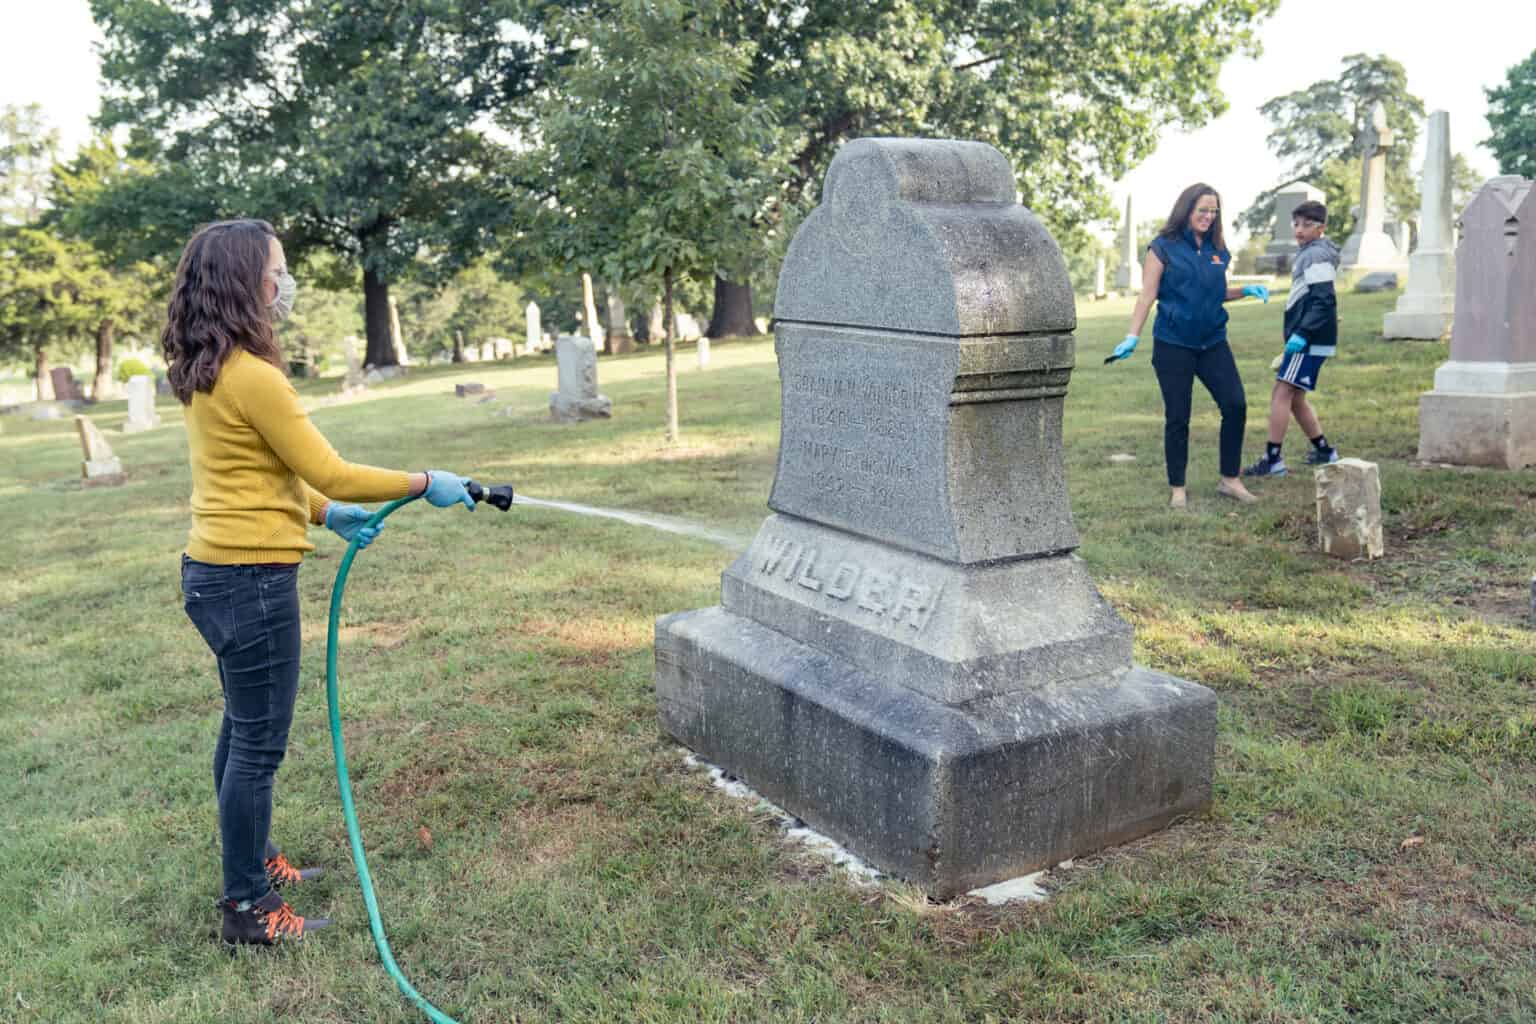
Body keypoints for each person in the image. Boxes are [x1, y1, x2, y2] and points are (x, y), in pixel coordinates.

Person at [165, 219, 477, 947]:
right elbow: (326, 466)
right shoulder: (254, 375)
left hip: (213, 573)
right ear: (249, 283)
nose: (285, 284)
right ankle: (246, 907)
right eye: (278, 270)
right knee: (257, 746)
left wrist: (328, 515)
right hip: (251, 583)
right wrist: (425, 481)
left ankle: (253, 864)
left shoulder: (207, 368)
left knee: (241, 730)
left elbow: (260, 474)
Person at [1109, 183, 1269, 508]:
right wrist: (1132, 335)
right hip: (1173, 344)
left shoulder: (1217, 249)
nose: (1208, 217)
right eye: (1202, 211)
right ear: (1187, 210)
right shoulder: (1162, 247)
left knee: (1235, 404)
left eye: (1213, 211)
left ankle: (1230, 479)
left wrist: (1246, 291)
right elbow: (1147, 294)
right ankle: (1178, 488)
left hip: (1212, 342)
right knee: (1179, 416)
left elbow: (1217, 291)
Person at [1243, 200, 1341, 477]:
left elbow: (1323, 300)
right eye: (1296, 224)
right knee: (1295, 397)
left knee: (1281, 393)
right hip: (1309, 336)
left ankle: (1273, 461)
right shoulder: (1311, 252)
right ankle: (1324, 451)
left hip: (1308, 339)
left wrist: (1302, 334)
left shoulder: (1315, 255)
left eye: (1307, 225)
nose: (1299, 230)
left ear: (1321, 228)